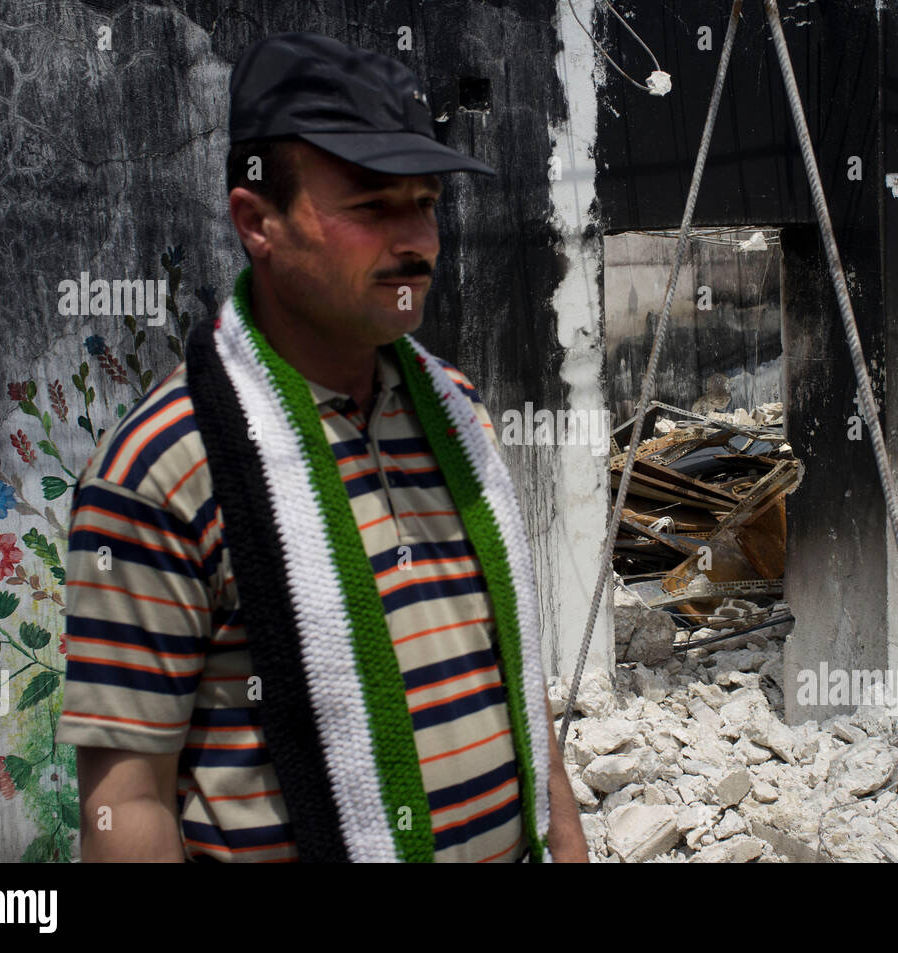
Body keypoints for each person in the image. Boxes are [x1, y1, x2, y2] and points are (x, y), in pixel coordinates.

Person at [54, 32, 587, 863]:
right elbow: (128, 805)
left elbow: (514, 671)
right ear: (256, 221)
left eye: (428, 203)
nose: (418, 241)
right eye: (373, 207)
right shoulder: (165, 469)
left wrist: (568, 837)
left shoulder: (458, 418)